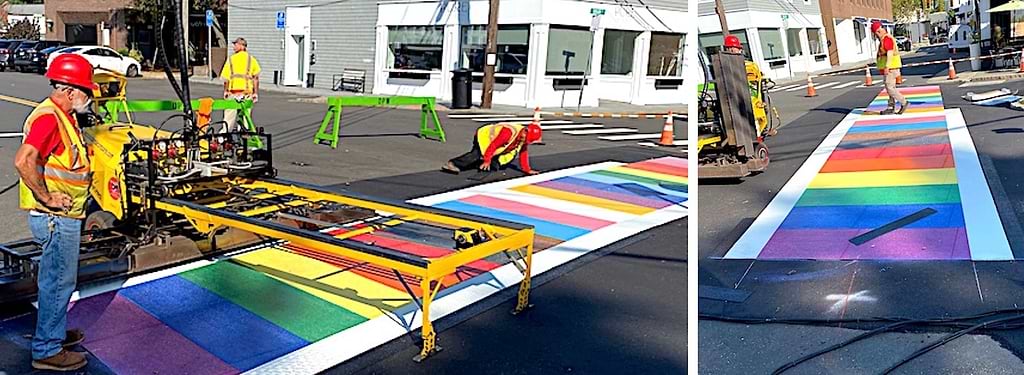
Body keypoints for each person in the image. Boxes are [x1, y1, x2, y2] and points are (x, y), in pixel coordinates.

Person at [13, 53, 96, 372]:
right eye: (87, 92)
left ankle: (54, 333)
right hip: (55, 217)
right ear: (72, 91)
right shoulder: (50, 118)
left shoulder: (62, 116)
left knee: (59, 279)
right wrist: (46, 197)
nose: (89, 99)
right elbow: (23, 161)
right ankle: (47, 349)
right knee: (58, 281)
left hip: (63, 216)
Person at [443, 123, 543, 175]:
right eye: (527, 139)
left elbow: (523, 153)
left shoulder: (523, 137)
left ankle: (481, 163)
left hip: (497, 144)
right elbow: (493, 146)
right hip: (484, 137)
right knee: (475, 155)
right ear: (525, 132)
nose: (525, 141)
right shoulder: (508, 133)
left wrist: (527, 170)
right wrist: (487, 160)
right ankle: (453, 164)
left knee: (495, 165)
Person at [220, 37, 261, 132]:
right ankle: (245, 136)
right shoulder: (251, 60)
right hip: (247, 93)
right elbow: (256, 78)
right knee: (246, 118)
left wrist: (226, 91)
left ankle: (224, 136)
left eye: (236, 44)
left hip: (233, 93)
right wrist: (255, 93)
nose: (234, 46)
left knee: (229, 119)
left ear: (242, 46)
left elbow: (226, 79)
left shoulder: (231, 59)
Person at [872, 21, 909, 115]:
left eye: (876, 33)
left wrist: (887, 66)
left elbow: (889, 53)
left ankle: (903, 102)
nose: (876, 35)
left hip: (891, 68)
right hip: (890, 67)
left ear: (878, 31)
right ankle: (891, 107)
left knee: (889, 87)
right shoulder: (885, 39)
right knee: (890, 87)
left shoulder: (887, 39)